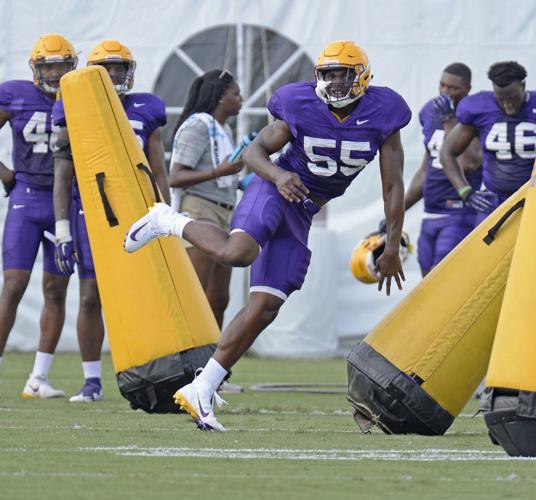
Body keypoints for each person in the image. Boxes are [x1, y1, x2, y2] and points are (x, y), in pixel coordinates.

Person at [123, 40, 410, 431]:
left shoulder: (384, 111)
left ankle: (201, 389)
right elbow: (256, 150)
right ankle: (165, 220)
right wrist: (278, 175)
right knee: (238, 252)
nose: (336, 83)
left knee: (266, 307)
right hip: (274, 190)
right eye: (328, 74)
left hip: (303, 211)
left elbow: (393, 186)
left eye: (343, 74)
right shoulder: (299, 102)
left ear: (362, 77)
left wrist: (392, 246)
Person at [50, 39, 170, 402]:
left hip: (139, 211)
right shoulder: (72, 106)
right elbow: (62, 175)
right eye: (108, 68)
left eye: (120, 68)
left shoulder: (147, 108)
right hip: (92, 213)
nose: (115, 74)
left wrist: (166, 211)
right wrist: (62, 230)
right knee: (90, 297)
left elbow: (158, 168)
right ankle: (91, 381)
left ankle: (156, 372)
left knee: (151, 296)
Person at [0, 33, 78, 399]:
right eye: (48, 65)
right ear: (36, 68)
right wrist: (4, 173)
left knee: (56, 290)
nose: (56, 72)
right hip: (28, 200)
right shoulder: (15, 95)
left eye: (61, 64)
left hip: (66, 202)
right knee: (13, 286)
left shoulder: (81, 97)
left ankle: (38, 379)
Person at [169, 69, 244, 329]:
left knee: (219, 297)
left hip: (225, 211)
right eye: (236, 93)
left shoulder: (223, 130)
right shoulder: (197, 126)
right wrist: (220, 171)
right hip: (200, 208)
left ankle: (211, 360)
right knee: (196, 292)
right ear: (221, 97)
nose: (241, 98)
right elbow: (175, 176)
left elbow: (224, 176)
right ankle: (186, 355)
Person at [439, 61, 536, 224]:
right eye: (501, 99)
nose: (507, 104)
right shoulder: (480, 107)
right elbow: (447, 152)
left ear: (523, 85)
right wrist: (465, 192)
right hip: (495, 203)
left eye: (512, 98)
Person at [401, 63, 483, 276]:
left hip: (459, 213)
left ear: (468, 89)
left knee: (443, 278)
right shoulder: (429, 111)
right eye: (442, 85)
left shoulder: (476, 112)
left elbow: (470, 162)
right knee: (426, 278)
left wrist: (449, 119)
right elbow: (426, 170)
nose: (445, 92)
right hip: (431, 212)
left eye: (453, 88)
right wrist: (398, 211)